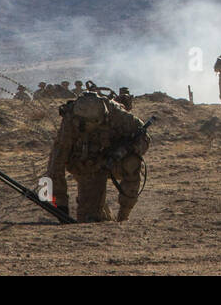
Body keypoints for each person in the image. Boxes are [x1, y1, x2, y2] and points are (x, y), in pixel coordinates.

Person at [46, 89, 150, 222]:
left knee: (132, 163)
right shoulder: (70, 121)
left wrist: (127, 150)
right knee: (90, 219)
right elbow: (56, 165)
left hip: (115, 162)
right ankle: (102, 211)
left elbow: (144, 136)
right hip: (87, 167)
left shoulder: (116, 113)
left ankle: (123, 218)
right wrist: (60, 206)